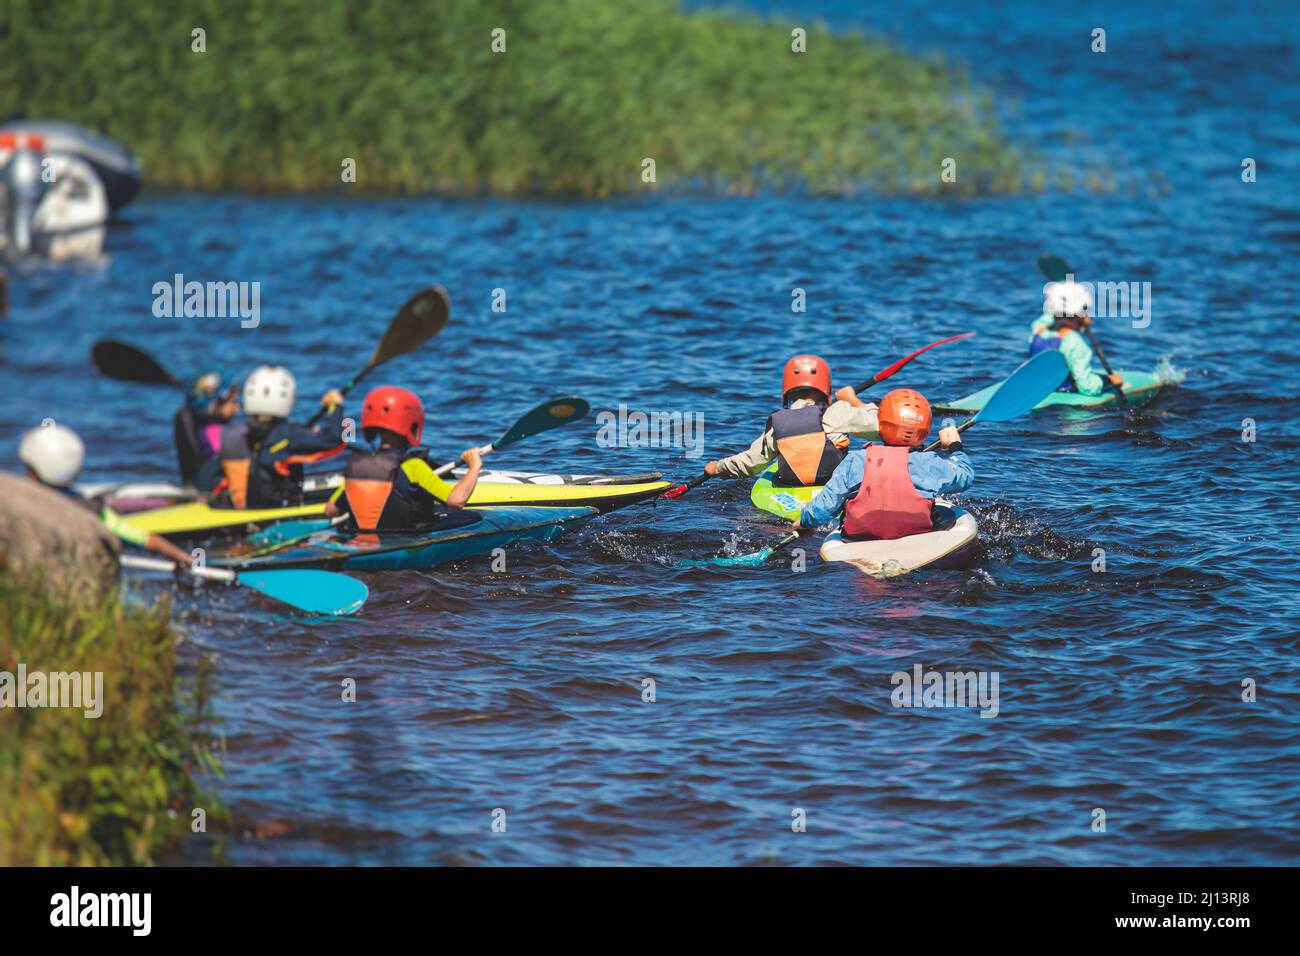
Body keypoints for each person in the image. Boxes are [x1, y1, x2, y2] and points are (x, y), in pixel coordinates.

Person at [798, 389, 973, 540]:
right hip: (916, 533)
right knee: (944, 513)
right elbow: (965, 476)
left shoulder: (856, 460)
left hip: (858, 537)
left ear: (881, 424)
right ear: (925, 428)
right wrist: (954, 445)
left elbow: (826, 503)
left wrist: (805, 521)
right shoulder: (930, 462)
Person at [18, 421, 195, 566]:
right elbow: (145, 539)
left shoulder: (20, 501)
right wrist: (183, 557)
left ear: (33, 471)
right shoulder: (92, 511)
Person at [702, 354, 880, 486]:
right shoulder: (838, 412)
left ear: (787, 390)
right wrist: (853, 400)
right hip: (833, 488)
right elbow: (883, 427)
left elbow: (751, 463)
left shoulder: (778, 424)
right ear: (826, 388)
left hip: (792, 490)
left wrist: (718, 467)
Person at [322, 385, 484, 530]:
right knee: (475, 518)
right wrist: (474, 465)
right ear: (411, 425)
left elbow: (331, 510)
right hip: (405, 543)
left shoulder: (356, 465)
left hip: (363, 544)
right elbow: (456, 501)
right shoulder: (413, 466)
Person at [212, 365, 346, 509]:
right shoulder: (290, 435)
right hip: (280, 513)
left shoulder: (234, 434)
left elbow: (206, 480)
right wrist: (337, 408)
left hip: (244, 511)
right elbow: (337, 439)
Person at [1029, 281, 1125, 396]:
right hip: (1065, 398)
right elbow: (1087, 387)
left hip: (1041, 390)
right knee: (1109, 380)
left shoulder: (1038, 329)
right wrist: (1109, 380)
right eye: (1086, 312)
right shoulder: (1074, 342)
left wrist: (1078, 317)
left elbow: (1049, 316)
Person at [174, 367, 240, 488]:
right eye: (233, 401)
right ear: (215, 403)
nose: (237, 408)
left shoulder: (202, 427)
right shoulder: (216, 433)